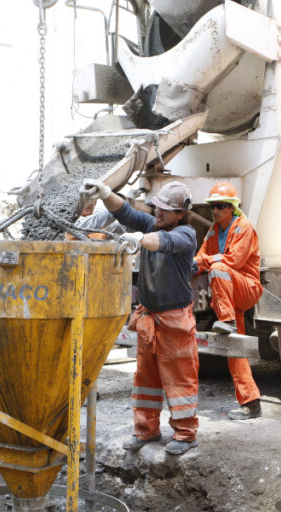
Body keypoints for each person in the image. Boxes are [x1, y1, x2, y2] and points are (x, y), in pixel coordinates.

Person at [82, 179, 199, 456]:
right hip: (149, 317)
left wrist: (139, 239)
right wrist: (107, 195)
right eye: (155, 207)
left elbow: (167, 243)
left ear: (180, 213)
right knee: (146, 379)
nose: (157, 213)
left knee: (179, 380)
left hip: (174, 320)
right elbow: (126, 213)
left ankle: (185, 434)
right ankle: (146, 430)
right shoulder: (151, 225)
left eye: (164, 210)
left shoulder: (186, 234)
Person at [193, 182, 263, 420]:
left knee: (219, 268)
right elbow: (200, 258)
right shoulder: (213, 231)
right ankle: (251, 402)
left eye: (221, 206)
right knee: (235, 348)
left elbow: (232, 261)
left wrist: (206, 261)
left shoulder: (243, 228)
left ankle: (227, 320)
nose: (216, 211)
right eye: (213, 206)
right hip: (229, 296)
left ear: (232, 208)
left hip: (246, 288)